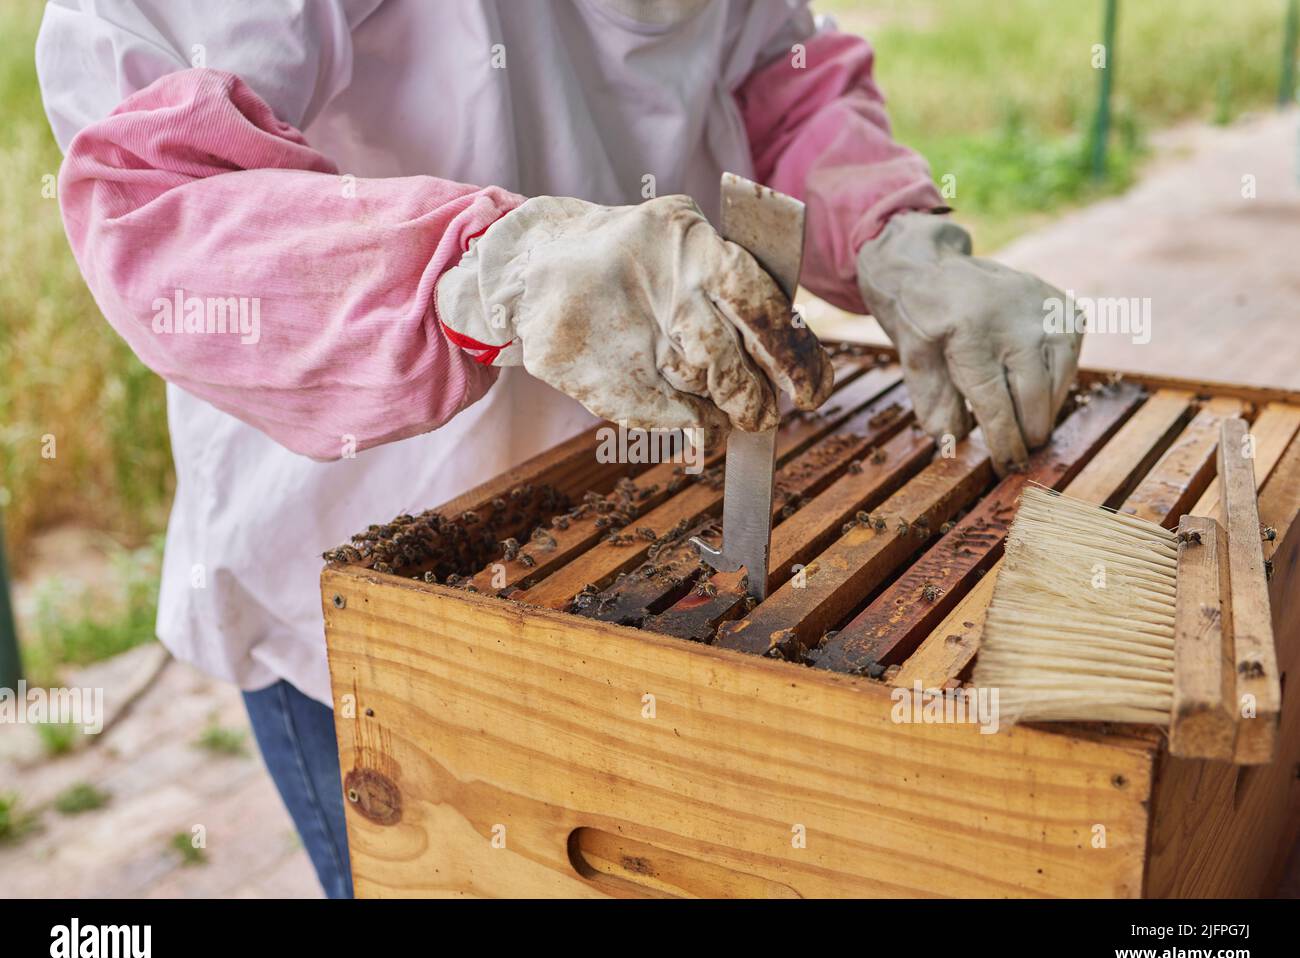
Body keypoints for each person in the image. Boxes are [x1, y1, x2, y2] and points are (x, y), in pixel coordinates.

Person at [35, 0, 1080, 898]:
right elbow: (160, 202)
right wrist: (494, 269)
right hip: (381, 566)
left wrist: (895, 236)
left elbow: (771, 70)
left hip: (669, 538)